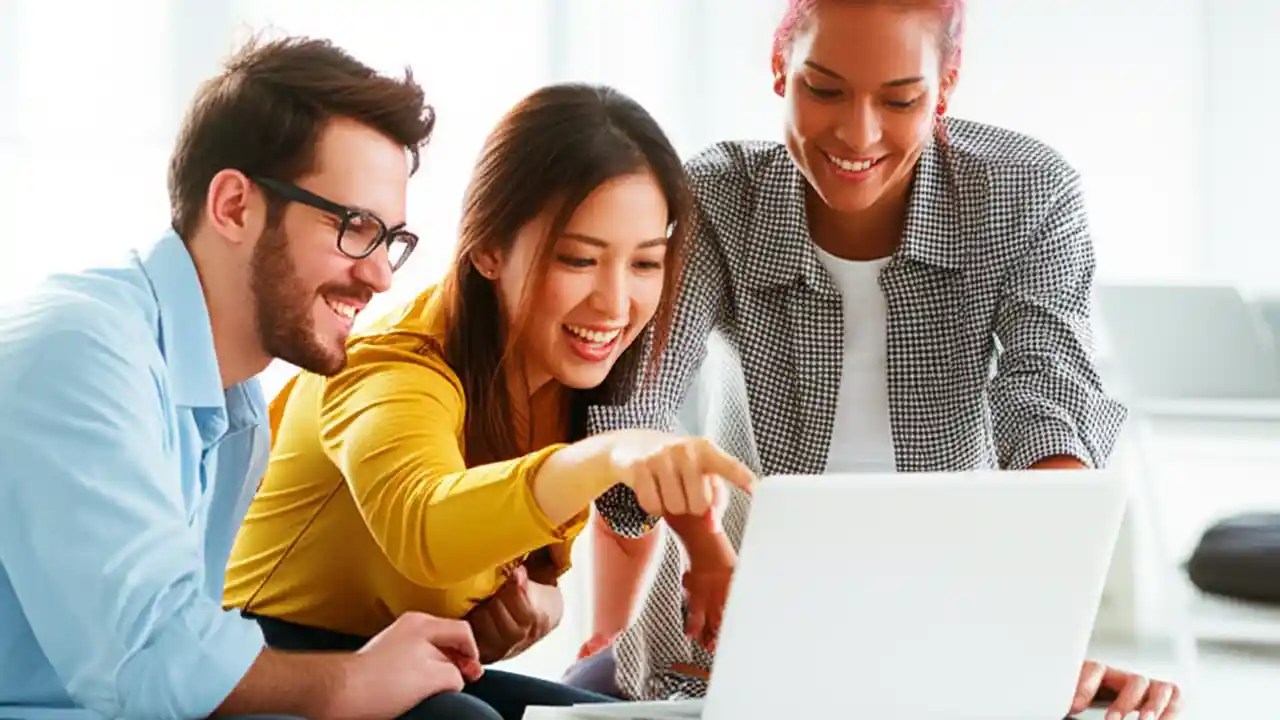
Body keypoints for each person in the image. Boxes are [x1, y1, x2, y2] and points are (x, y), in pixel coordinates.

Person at [565, 2, 1182, 719]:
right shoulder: (718, 197)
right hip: (714, 639)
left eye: (901, 99)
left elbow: (1048, 400)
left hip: (947, 639)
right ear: (779, 66)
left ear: (946, 86)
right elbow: (635, 411)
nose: (857, 133)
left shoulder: (1025, 193)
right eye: (824, 89)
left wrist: (1044, 628)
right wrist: (687, 554)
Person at [222, 82, 756, 720]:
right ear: (489, 248)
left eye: (645, 264)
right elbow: (428, 529)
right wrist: (607, 453)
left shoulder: (571, 375)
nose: (615, 306)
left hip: (413, 663)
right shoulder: (390, 368)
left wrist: (545, 603)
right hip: (269, 662)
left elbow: (543, 576)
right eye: (579, 259)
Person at [0, 36, 486, 719]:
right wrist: (351, 681)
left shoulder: (237, 408)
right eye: (354, 227)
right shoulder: (81, 350)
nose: (379, 275)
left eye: (391, 242)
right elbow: (156, 665)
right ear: (233, 206)